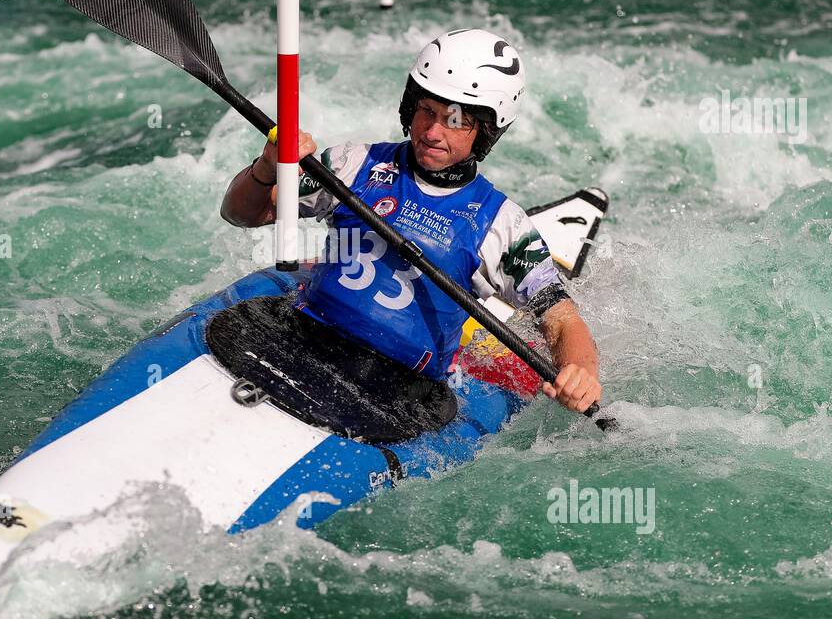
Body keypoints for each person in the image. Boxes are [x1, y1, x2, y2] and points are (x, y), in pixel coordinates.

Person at [220, 29, 601, 415]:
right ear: (409, 107)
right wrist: (267, 168)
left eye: (455, 121)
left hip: (398, 391)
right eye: (427, 111)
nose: (433, 132)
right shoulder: (353, 164)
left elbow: (562, 319)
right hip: (306, 338)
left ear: (485, 131)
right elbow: (241, 214)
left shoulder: (501, 224)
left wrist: (579, 372)